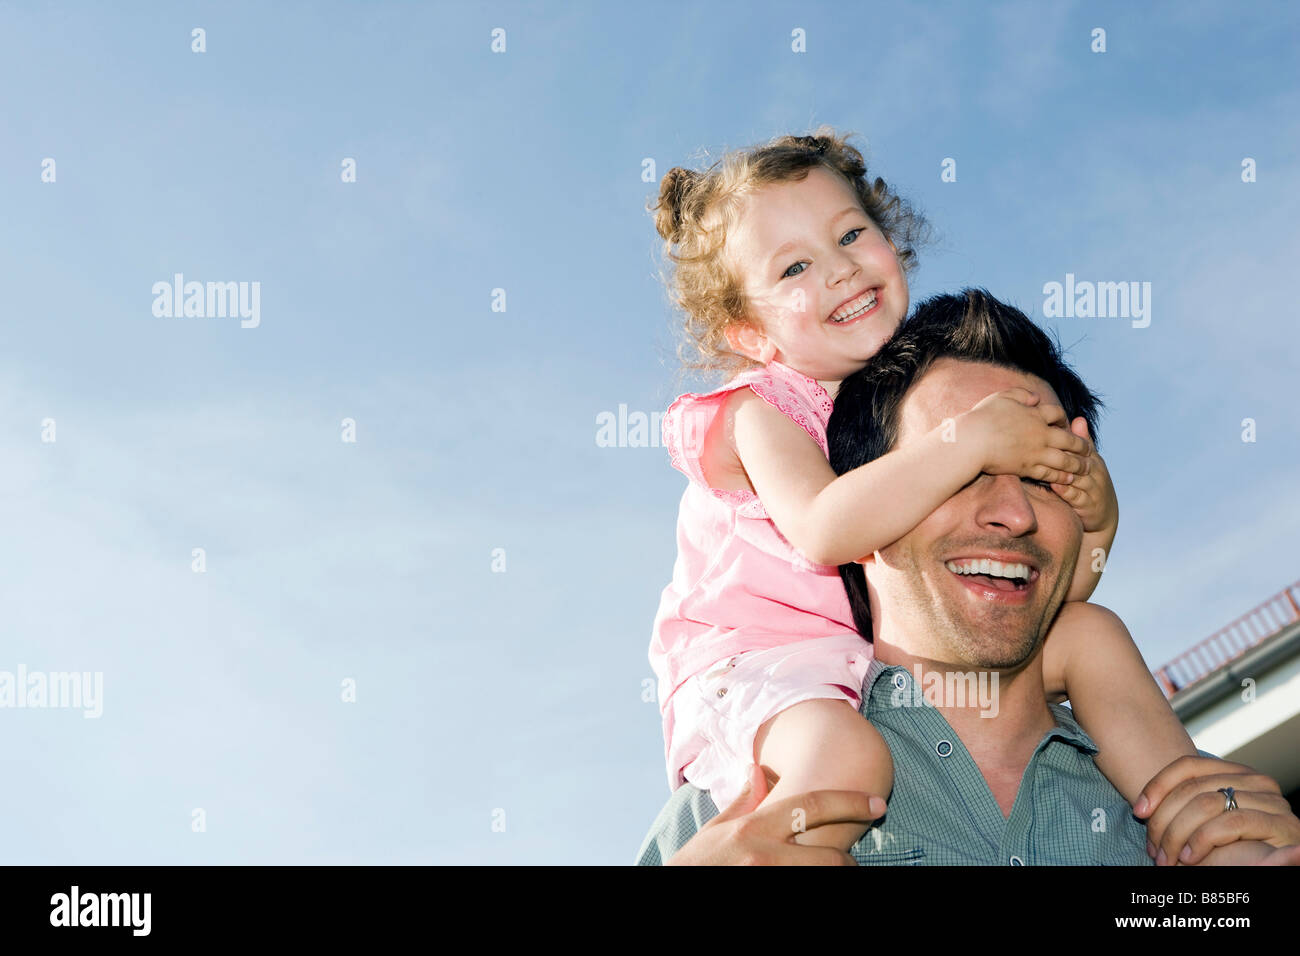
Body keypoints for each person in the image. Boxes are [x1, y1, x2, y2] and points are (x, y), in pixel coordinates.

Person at [646, 126, 1193, 856]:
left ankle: (1192, 806)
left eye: (851, 234)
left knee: (1089, 634)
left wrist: (1099, 512)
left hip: (846, 654)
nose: (838, 270)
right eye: (795, 267)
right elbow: (824, 529)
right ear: (749, 333)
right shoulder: (759, 414)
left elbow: (1061, 592)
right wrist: (967, 440)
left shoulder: (879, 405)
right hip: (756, 662)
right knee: (847, 763)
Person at [637, 289, 1300, 865]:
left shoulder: (1198, 844)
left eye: (1045, 477)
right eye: (961, 468)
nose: (1013, 513)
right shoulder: (739, 820)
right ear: (866, 511)